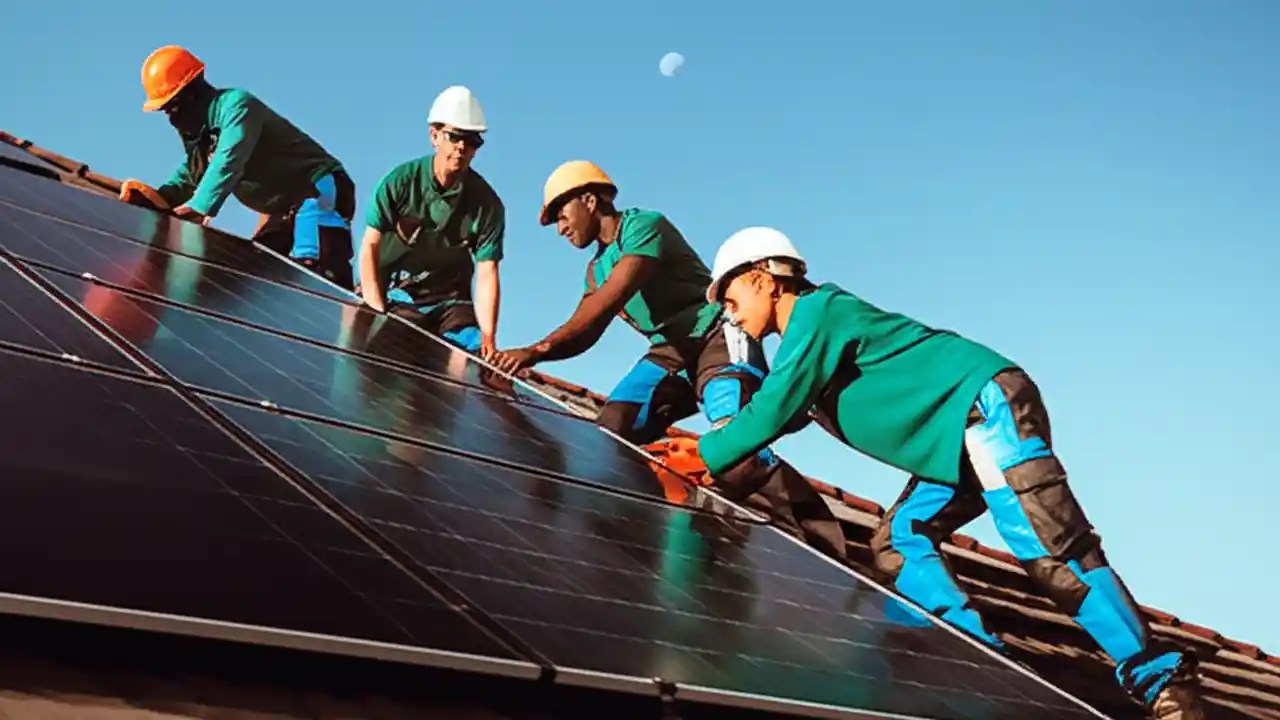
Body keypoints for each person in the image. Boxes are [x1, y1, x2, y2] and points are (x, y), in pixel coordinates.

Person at [694, 226, 1207, 720]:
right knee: (899, 540)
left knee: (1049, 548)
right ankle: (979, 658)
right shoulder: (807, 343)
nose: (729, 314)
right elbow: (773, 415)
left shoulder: (817, 313)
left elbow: (773, 410)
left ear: (764, 276)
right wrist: (713, 446)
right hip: (950, 442)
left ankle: (1164, 680)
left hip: (983, 408)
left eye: (732, 297)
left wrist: (709, 452)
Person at [489, 162, 847, 559]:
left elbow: (608, 304)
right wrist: (536, 354)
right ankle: (644, 531)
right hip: (671, 351)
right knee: (610, 431)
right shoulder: (594, 271)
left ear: (589, 200)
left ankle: (826, 540)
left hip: (716, 336)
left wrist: (536, 350)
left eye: (561, 215)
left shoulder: (644, 227)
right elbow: (585, 330)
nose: (561, 228)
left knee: (735, 445)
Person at [121, 45, 356, 289]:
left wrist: (199, 207)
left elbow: (228, 160)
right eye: (165, 110)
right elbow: (192, 174)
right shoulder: (204, 134)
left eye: (172, 106)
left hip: (317, 190)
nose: (171, 117)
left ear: (191, 94)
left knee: (315, 274)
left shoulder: (237, 106)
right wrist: (162, 198)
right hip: (283, 211)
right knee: (262, 274)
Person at [355, 86, 504, 358]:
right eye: (454, 137)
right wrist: (375, 308)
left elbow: (487, 272)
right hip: (396, 290)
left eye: (471, 142)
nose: (461, 147)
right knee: (395, 348)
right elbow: (370, 246)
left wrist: (489, 339)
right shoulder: (400, 183)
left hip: (448, 298)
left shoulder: (486, 204)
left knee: (468, 355)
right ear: (434, 136)